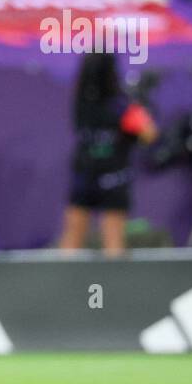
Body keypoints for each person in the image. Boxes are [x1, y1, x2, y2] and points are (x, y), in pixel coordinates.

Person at [58, 48, 158, 256]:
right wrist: (140, 106)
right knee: (113, 242)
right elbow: (149, 134)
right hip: (113, 178)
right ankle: (113, 286)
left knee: (72, 239)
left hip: (86, 174)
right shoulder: (121, 106)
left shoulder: (80, 101)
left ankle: (60, 285)